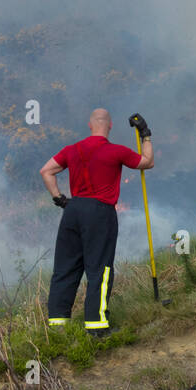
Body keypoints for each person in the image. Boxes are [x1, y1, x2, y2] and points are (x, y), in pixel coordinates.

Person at [39, 109, 154, 337]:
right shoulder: (116, 151)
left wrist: (60, 199)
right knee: (99, 270)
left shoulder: (72, 150)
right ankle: (97, 327)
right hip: (100, 212)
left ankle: (56, 326)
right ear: (110, 126)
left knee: (65, 268)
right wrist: (145, 135)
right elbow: (147, 162)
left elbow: (46, 171)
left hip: (72, 211)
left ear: (90, 125)